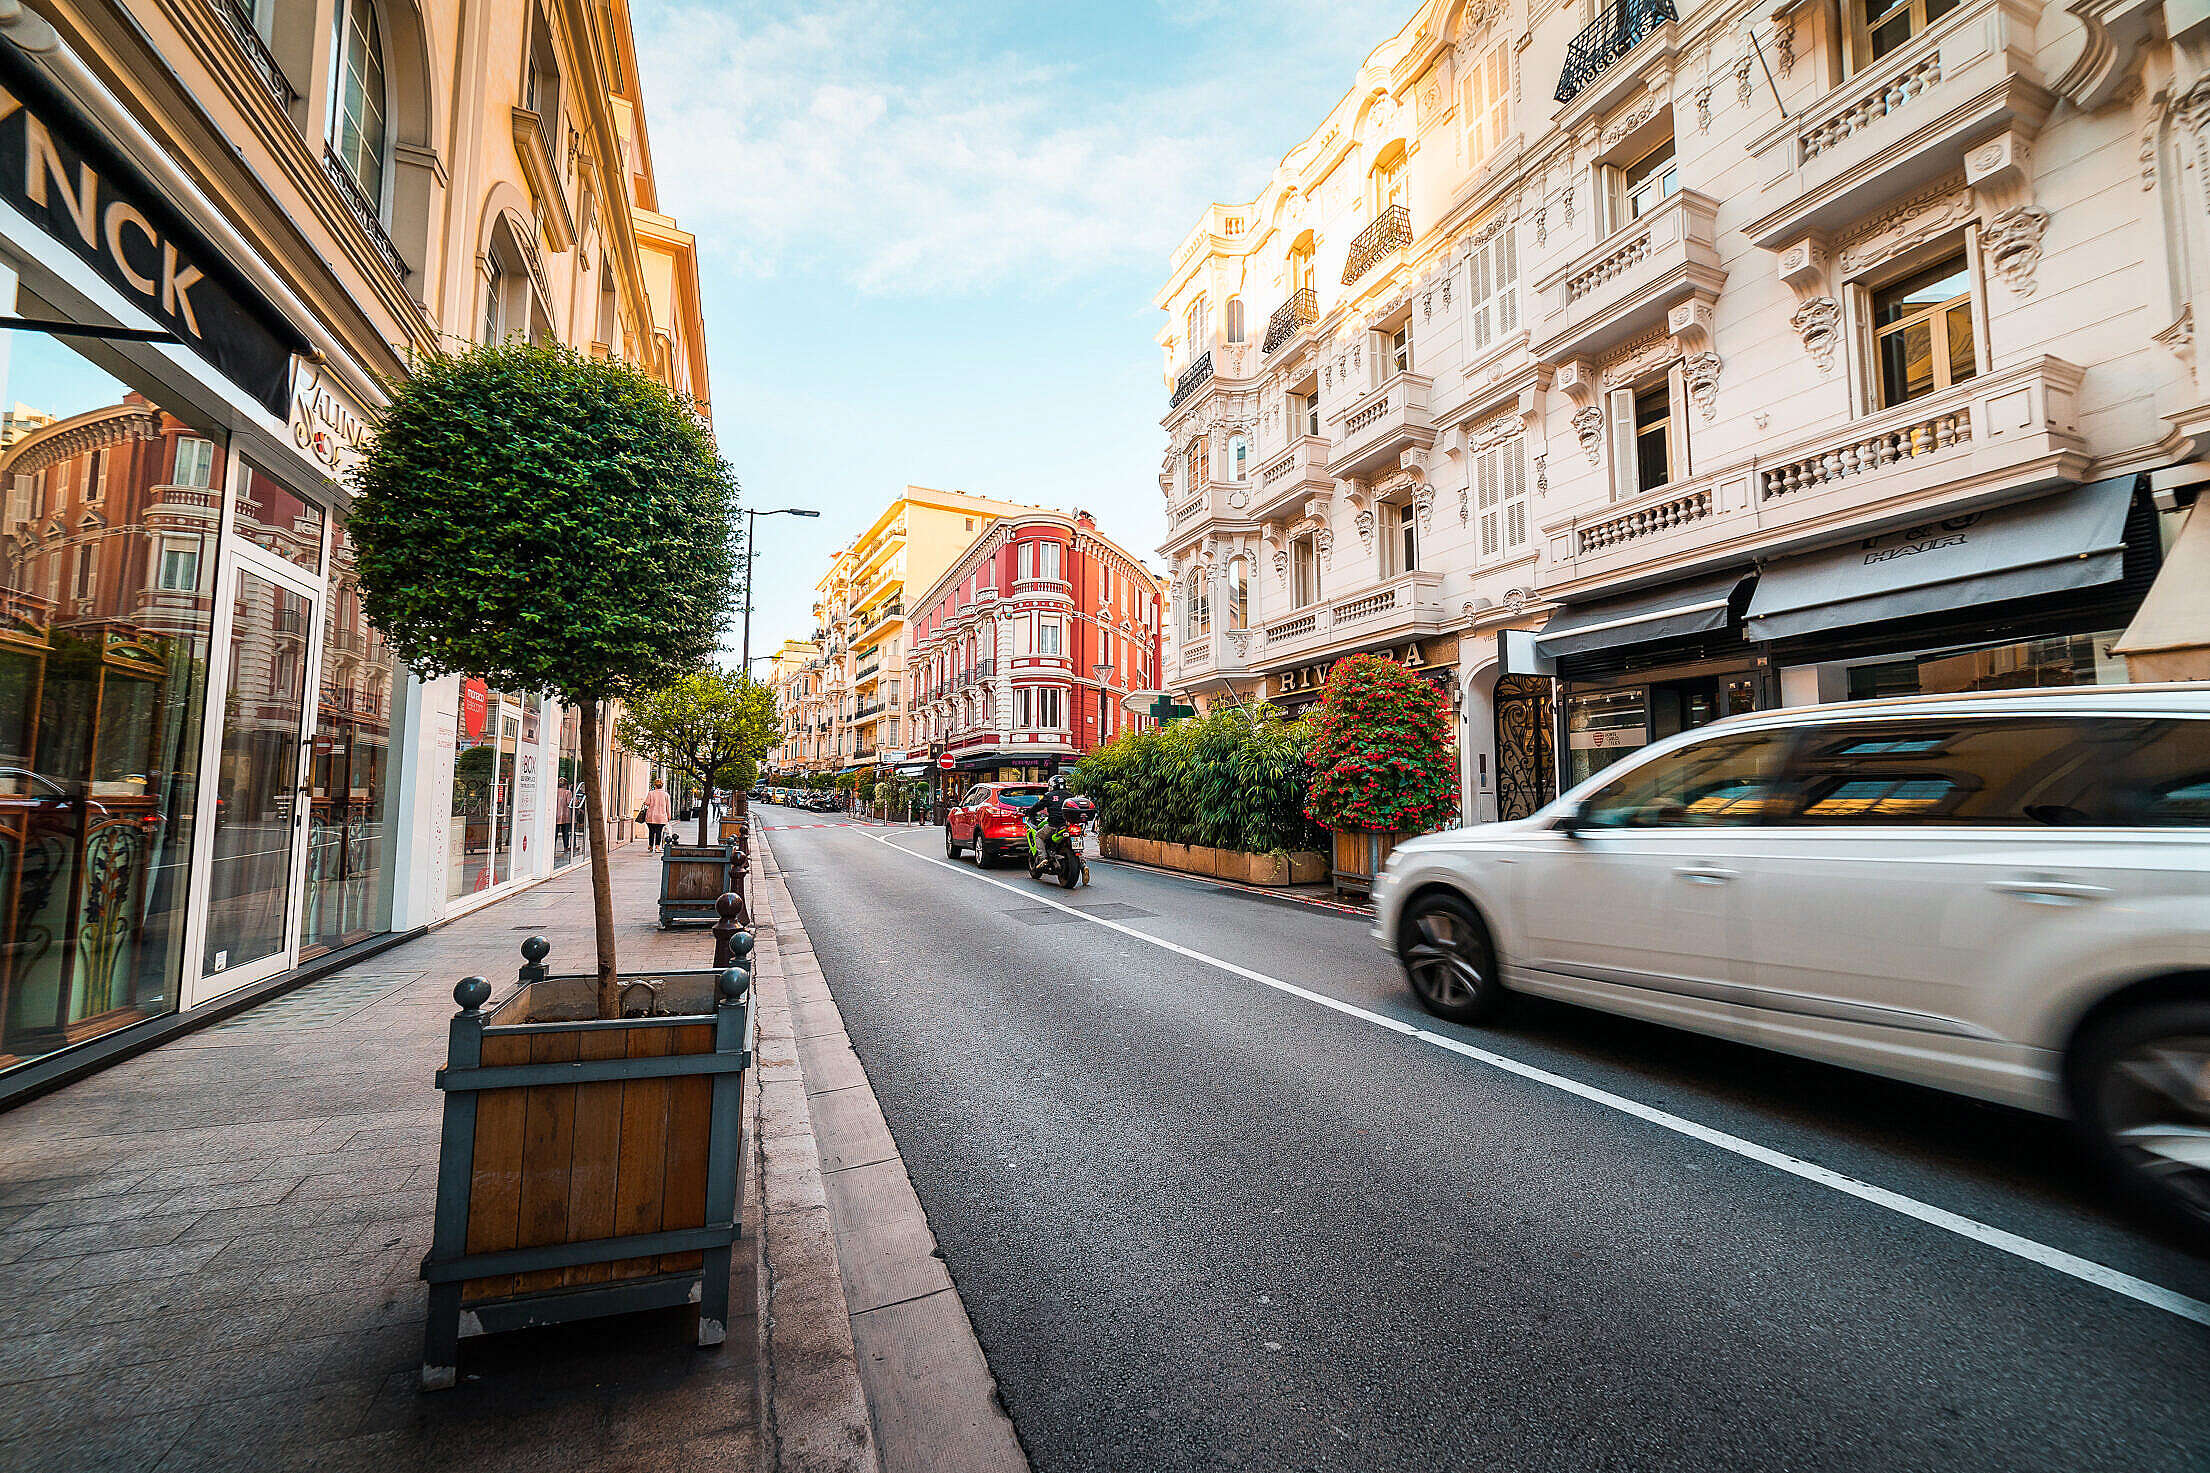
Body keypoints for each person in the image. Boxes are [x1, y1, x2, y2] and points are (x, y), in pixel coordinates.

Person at [642, 777, 672, 850]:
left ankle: (650, 846)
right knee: (659, 831)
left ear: (655, 785)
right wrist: (669, 815)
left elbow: (647, 803)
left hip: (651, 816)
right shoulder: (666, 794)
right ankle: (657, 846)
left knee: (651, 831)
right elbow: (668, 806)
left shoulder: (651, 793)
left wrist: (645, 802)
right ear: (662, 785)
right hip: (661, 817)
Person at [555, 779, 574, 853]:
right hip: (565, 815)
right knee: (565, 832)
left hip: (556, 815)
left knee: (555, 833)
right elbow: (569, 802)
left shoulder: (555, 791)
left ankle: (553, 846)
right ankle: (566, 847)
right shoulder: (567, 792)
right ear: (566, 785)